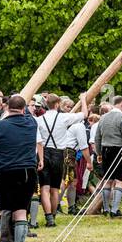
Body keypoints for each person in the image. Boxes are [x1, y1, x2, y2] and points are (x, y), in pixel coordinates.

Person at [0, 95, 43, 242]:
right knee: (21, 212)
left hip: (4, 172)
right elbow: (28, 114)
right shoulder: (32, 124)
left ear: (6, 108)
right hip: (27, 173)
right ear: (23, 109)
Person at [36, 94, 87, 226]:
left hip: (44, 153)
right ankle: (53, 216)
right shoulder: (63, 117)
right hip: (59, 154)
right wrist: (83, 100)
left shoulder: (39, 119)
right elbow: (84, 114)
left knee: (44, 188)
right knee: (54, 188)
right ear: (58, 104)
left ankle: (49, 218)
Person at [94, 97, 122, 218]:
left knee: (107, 180)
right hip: (118, 151)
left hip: (105, 150)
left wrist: (99, 153)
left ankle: (106, 209)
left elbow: (97, 138)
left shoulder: (103, 118)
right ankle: (114, 210)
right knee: (118, 180)